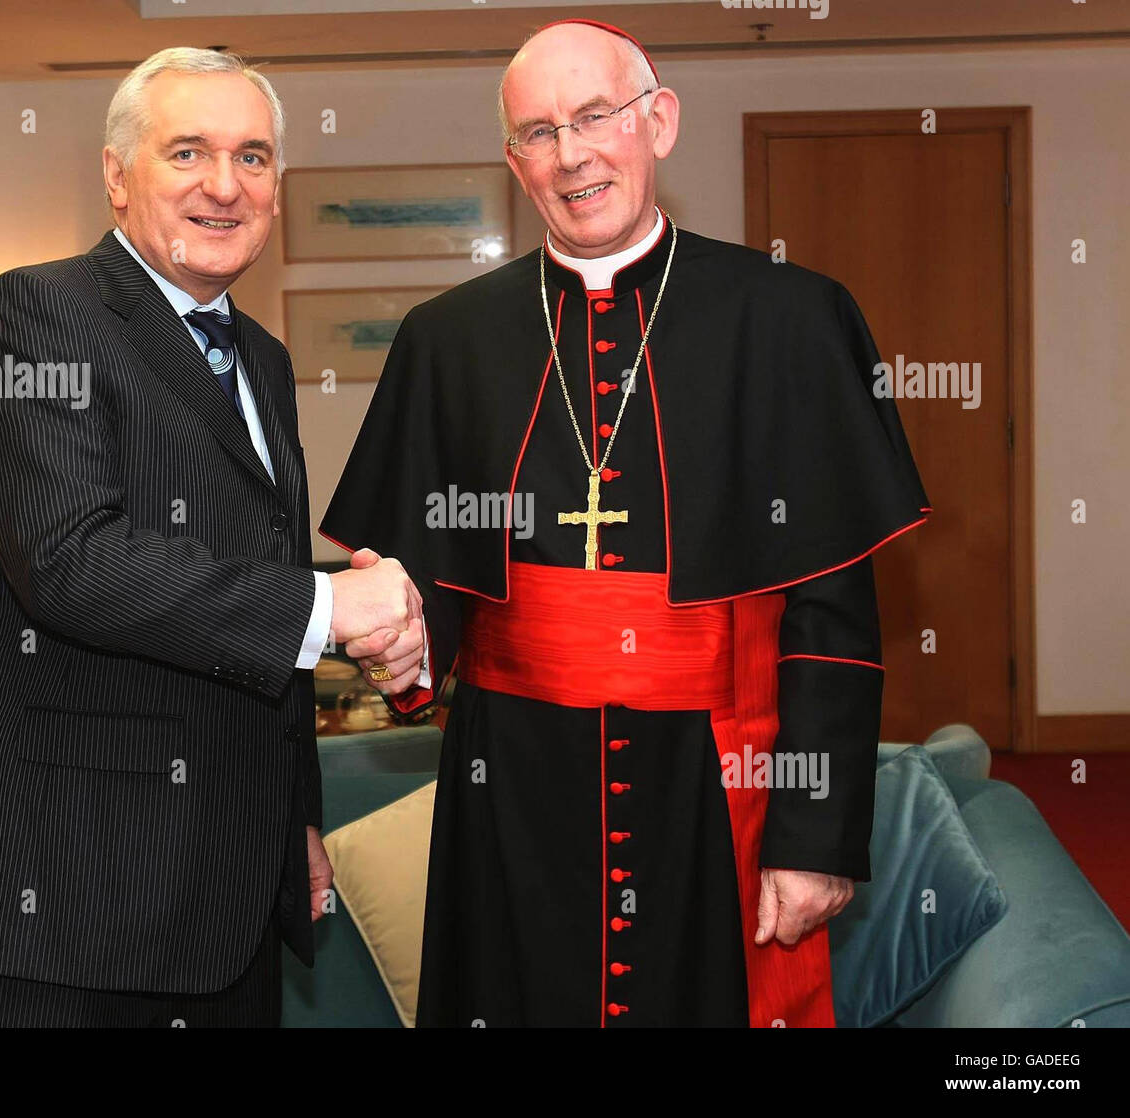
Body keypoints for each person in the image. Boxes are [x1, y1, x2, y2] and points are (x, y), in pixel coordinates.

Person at [321, 19, 931, 1027]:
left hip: (715, 772)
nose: (571, 154)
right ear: (516, 163)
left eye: (595, 116)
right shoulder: (448, 339)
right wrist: (405, 645)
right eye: (538, 132)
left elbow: (833, 616)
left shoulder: (788, 318)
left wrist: (813, 831)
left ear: (659, 122)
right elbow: (425, 588)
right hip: (511, 780)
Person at [0, 47, 420, 1027]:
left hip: (231, 895)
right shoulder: (37, 315)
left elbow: (248, 587)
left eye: (253, 156)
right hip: (75, 907)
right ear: (117, 174)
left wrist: (296, 826)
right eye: (187, 152)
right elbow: (75, 561)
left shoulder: (264, 361)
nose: (224, 185)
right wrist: (328, 605)